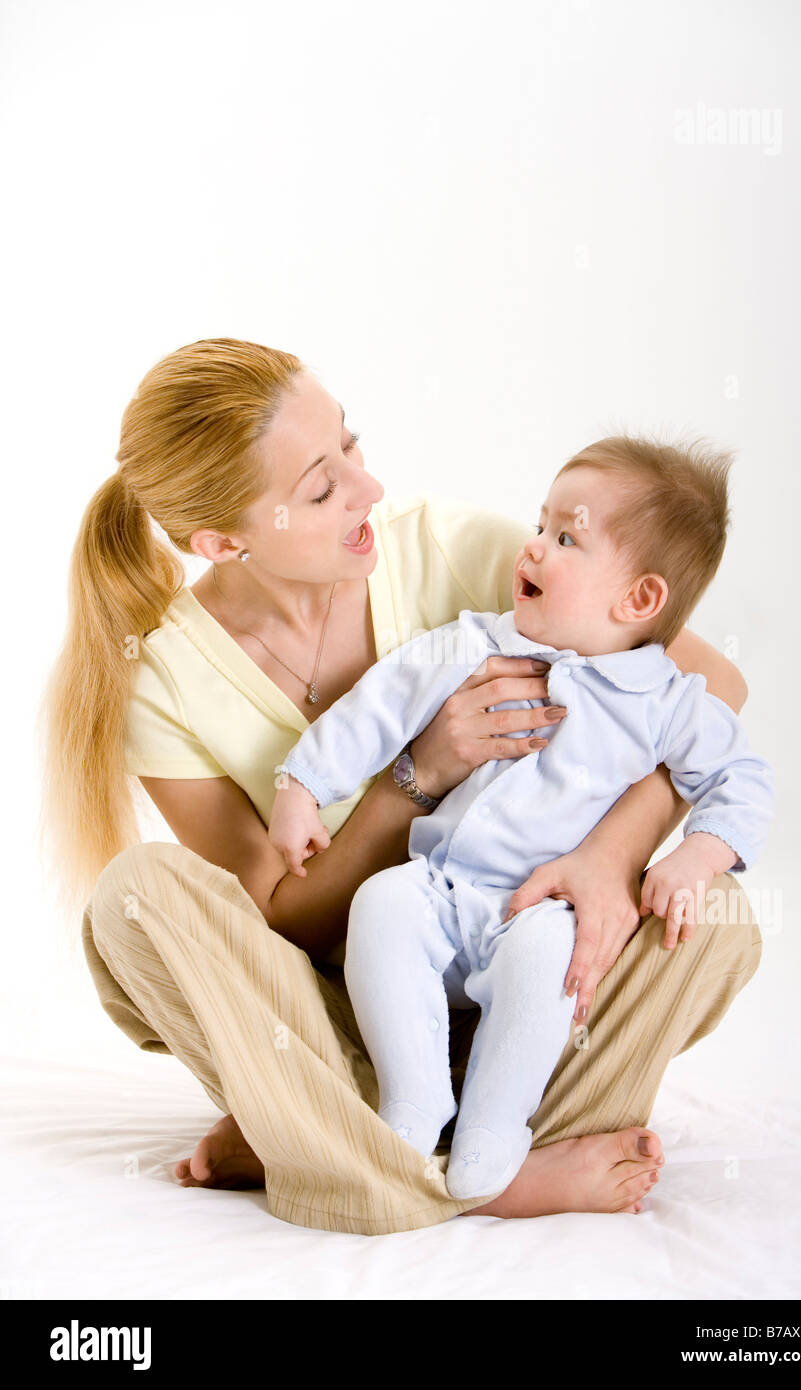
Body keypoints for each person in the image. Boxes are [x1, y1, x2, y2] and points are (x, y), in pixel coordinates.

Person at [38, 338, 762, 1235]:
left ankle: (325, 1143)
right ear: (223, 541)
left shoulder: (452, 549)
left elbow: (707, 690)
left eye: (352, 445)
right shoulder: (165, 680)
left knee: (718, 924)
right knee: (135, 899)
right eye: (320, 486)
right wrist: (414, 778)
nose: (366, 489)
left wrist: (608, 859)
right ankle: (492, 1178)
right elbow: (284, 916)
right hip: (340, 1009)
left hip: (528, 963)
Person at [270, 435, 775, 1200]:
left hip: (546, 909)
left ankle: (492, 1124)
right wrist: (303, 783)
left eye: (564, 538)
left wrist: (697, 854)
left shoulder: (666, 701)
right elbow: (377, 705)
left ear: (638, 599)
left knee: (550, 964)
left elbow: (743, 777)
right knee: (382, 902)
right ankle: (413, 1096)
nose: (531, 549)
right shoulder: (478, 643)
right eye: (541, 526)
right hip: (441, 888)